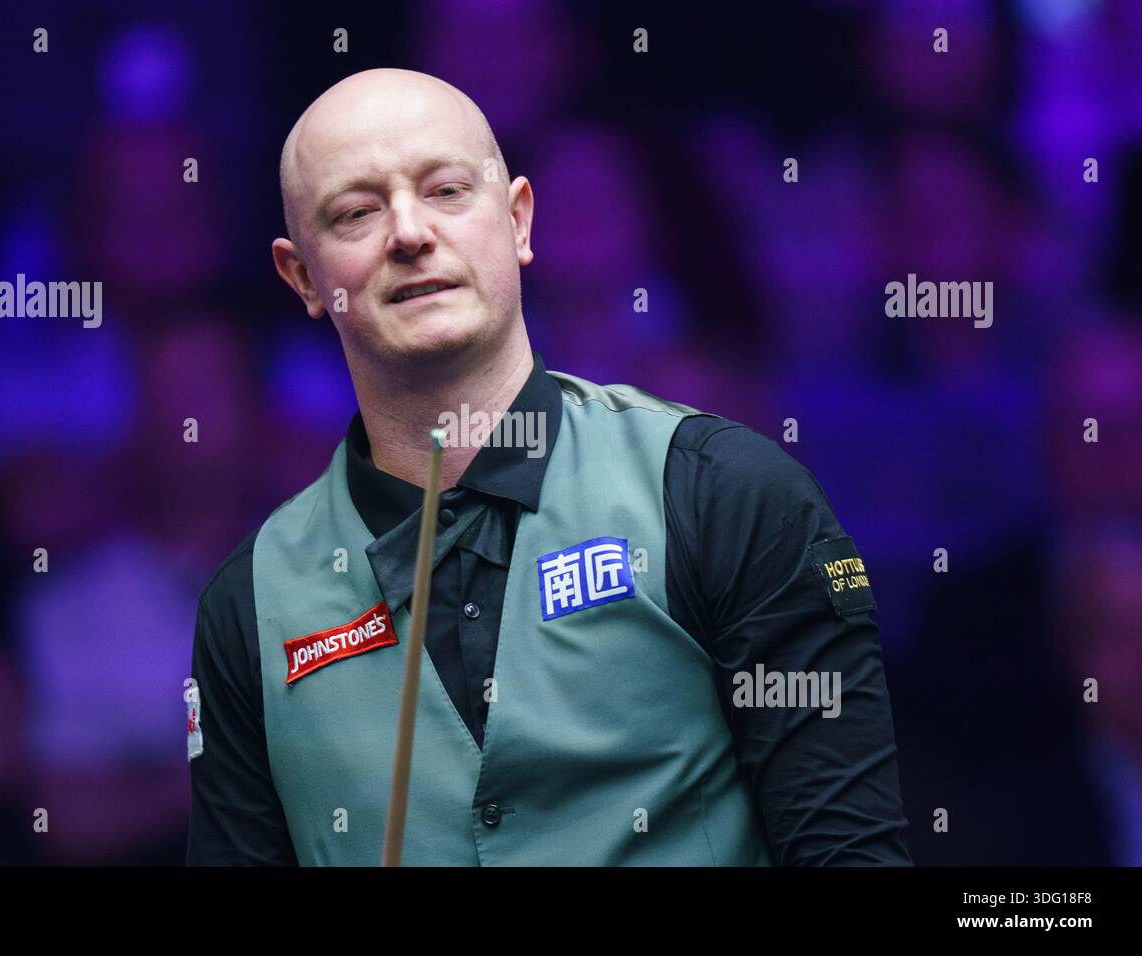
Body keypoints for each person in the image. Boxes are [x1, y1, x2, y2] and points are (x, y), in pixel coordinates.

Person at [185, 67, 912, 866]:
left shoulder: (723, 492)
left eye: (448, 191)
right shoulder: (249, 606)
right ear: (303, 279)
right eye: (357, 212)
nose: (409, 232)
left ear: (520, 221)